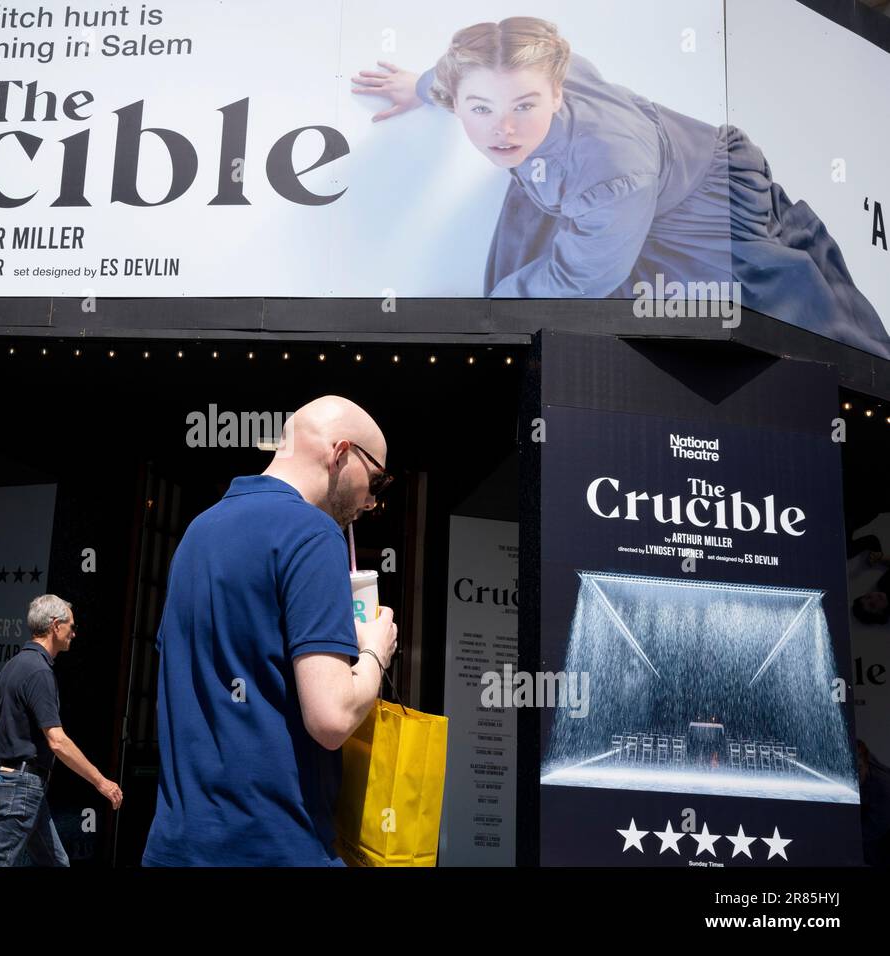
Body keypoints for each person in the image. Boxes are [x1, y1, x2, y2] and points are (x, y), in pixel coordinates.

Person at [351, 16, 890, 359]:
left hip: (702, 198)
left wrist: (482, 314)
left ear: (556, 95)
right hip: (618, 186)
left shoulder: (611, 172)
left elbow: (575, 277)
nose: (502, 130)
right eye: (480, 109)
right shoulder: (519, 74)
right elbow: (456, 76)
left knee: (785, 318)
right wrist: (420, 88)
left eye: (524, 106)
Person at [142, 395, 399, 866]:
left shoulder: (198, 531)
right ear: (341, 452)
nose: (372, 500)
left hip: (176, 846)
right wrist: (375, 652)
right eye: (377, 479)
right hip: (274, 845)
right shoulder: (314, 534)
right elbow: (332, 718)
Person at [0, 594, 123, 866]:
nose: (74, 633)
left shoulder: (11, 667)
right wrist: (101, 782)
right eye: (71, 626)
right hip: (23, 786)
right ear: (55, 625)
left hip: (16, 784)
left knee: (55, 863)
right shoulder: (40, 672)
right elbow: (57, 741)